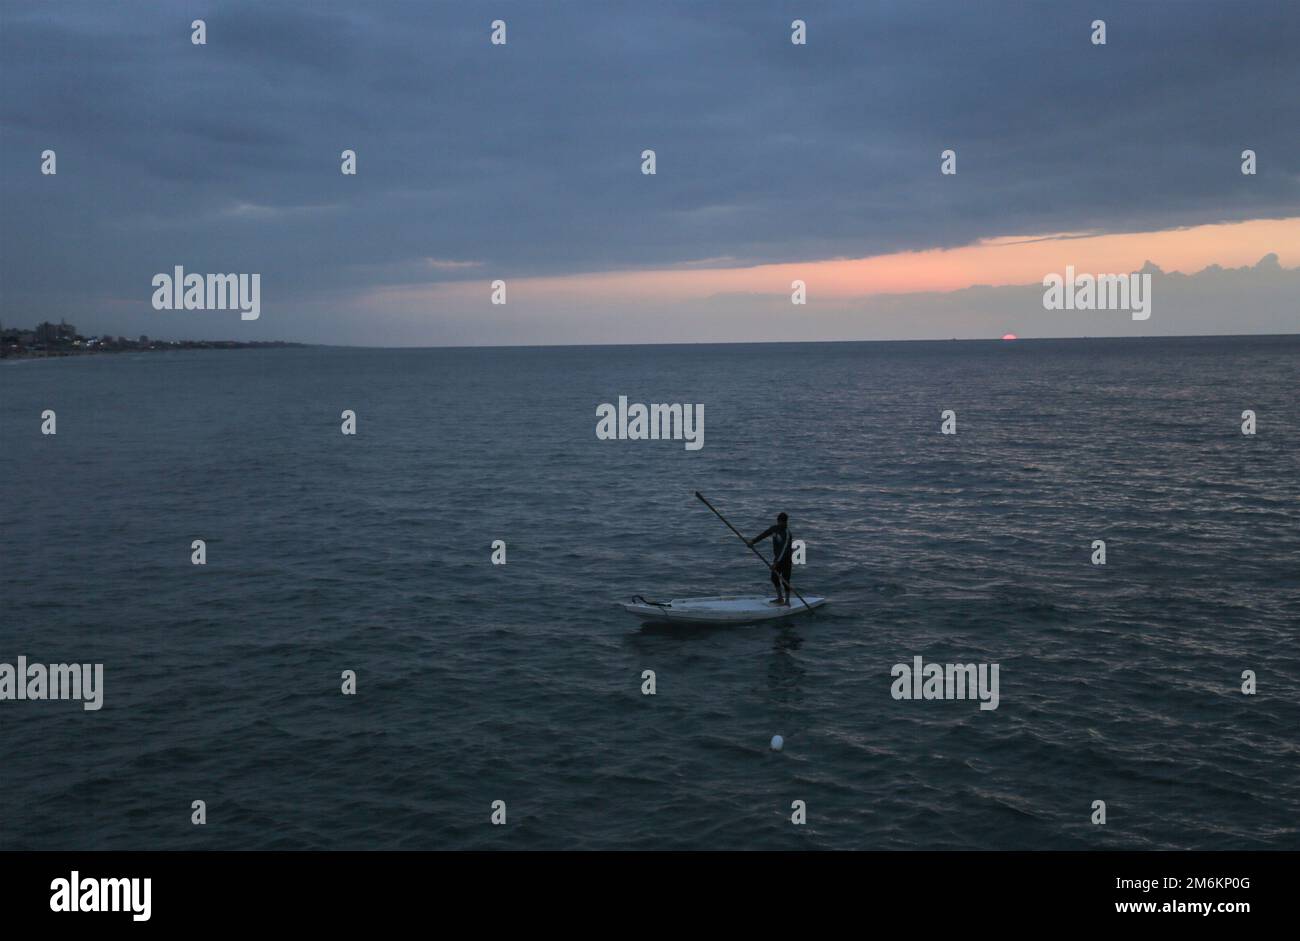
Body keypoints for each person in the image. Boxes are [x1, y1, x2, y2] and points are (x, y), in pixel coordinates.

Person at [748, 512, 794, 606]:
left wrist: (776, 563)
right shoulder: (774, 529)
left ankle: (787, 601)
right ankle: (780, 598)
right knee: (774, 578)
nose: (783, 524)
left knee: (785, 580)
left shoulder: (787, 533)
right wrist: (753, 541)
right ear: (778, 521)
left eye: (784, 522)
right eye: (781, 522)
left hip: (786, 559)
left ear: (786, 522)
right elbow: (764, 534)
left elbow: (784, 549)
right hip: (777, 558)